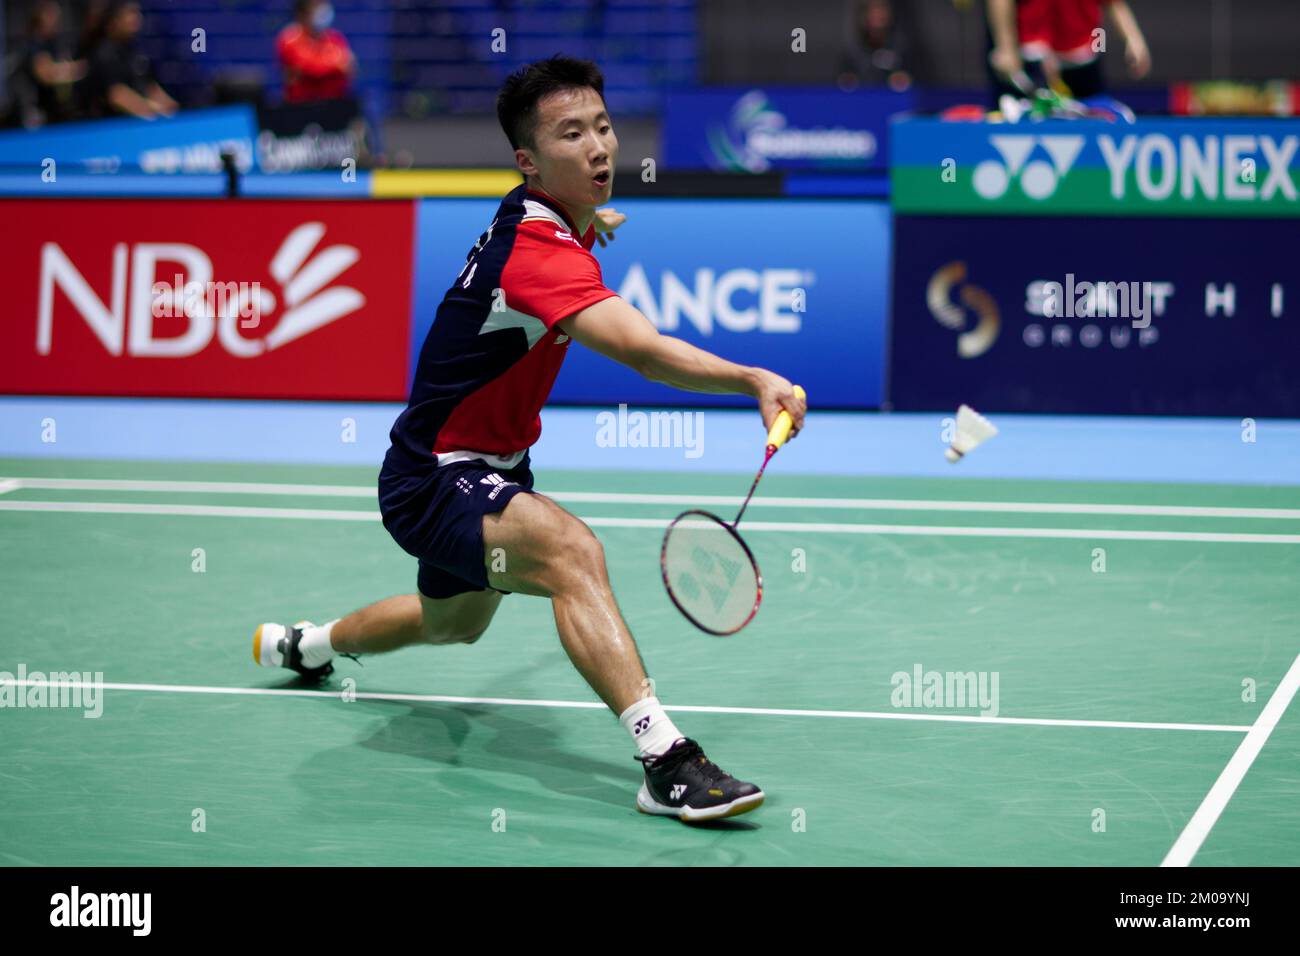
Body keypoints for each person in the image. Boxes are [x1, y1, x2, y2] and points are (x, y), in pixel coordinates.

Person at [251, 56, 806, 824]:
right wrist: (752, 379)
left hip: (481, 464)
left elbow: (552, 227)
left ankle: (307, 646)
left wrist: (588, 219)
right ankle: (666, 762)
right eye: (570, 135)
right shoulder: (538, 254)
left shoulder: (542, 219)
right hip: (436, 475)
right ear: (528, 159)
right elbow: (643, 352)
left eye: (603, 128)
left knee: (452, 624)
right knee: (574, 552)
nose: (598, 148)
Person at [987, 0, 1150, 102]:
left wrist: (1134, 39)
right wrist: (1005, 47)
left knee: (1094, 124)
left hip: (1083, 56)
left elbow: (1115, 4)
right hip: (1035, 54)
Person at [80, 0, 176, 119]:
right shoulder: (103, 53)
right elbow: (116, 95)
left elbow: (149, 85)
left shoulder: (137, 49)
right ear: (115, 20)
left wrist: (169, 107)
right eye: (130, 13)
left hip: (142, 121)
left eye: (137, 13)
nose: (136, 18)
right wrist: (151, 110)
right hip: (113, 126)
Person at [5, 1, 86, 127]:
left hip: (50, 110)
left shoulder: (54, 43)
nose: (57, 21)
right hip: (29, 111)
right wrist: (71, 70)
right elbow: (45, 74)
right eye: (52, 16)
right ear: (41, 17)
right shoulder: (32, 44)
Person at [275, 0, 355, 103]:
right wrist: (334, 65)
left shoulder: (335, 38)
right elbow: (310, 68)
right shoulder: (289, 38)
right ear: (302, 13)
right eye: (316, 5)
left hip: (334, 104)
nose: (322, 10)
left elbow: (349, 67)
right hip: (301, 106)